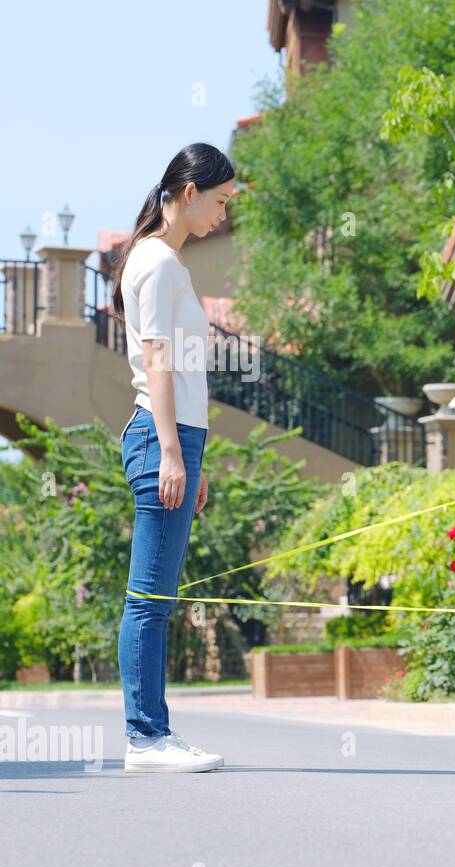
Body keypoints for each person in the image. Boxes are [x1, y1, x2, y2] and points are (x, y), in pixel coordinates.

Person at [110, 143, 236, 774]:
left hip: (178, 437)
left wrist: (193, 454)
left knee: (155, 595)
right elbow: (157, 361)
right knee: (148, 597)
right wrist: (169, 451)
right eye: (219, 201)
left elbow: (181, 372)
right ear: (190, 193)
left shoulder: (166, 262)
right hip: (160, 437)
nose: (222, 213)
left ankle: (151, 734)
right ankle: (146, 738)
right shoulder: (157, 263)